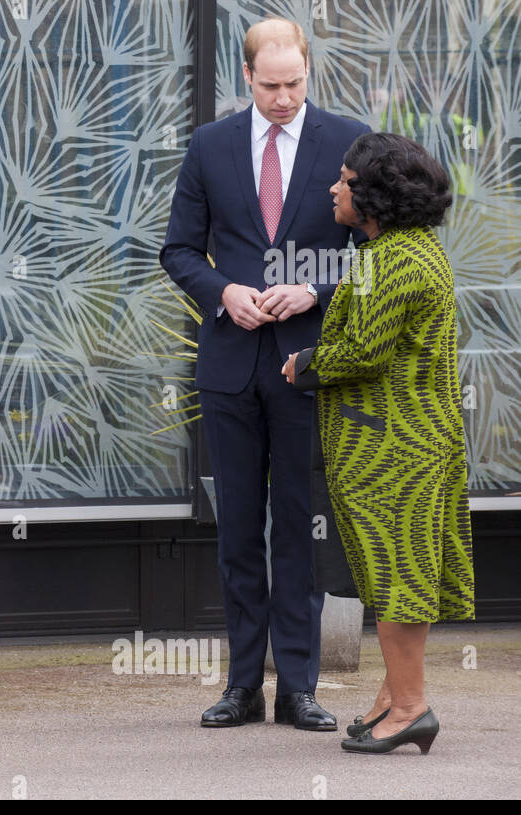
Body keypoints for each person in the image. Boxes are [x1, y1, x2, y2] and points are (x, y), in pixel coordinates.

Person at [159, 18, 369, 730]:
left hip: (310, 365)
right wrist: (223, 290)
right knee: (238, 531)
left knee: (301, 529)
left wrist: (315, 291)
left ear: (309, 72)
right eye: (271, 86)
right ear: (246, 77)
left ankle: (299, 688)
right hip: (229, 364)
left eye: (296, 84)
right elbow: (178, 250)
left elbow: (377, 255)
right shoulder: (210, 145)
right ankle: (242, 684)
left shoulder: (349, 141)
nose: (284, 99)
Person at [283, 132, 474, 754]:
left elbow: (363, 351)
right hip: (392, 448)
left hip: (401, 450)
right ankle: (395, 697)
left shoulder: (396, 262)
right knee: (391, 574)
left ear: (376, 195)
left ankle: (412, 706)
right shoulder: (394, 252)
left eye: (346, 179)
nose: (335, 188)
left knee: (400, 577)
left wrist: (304, 364)